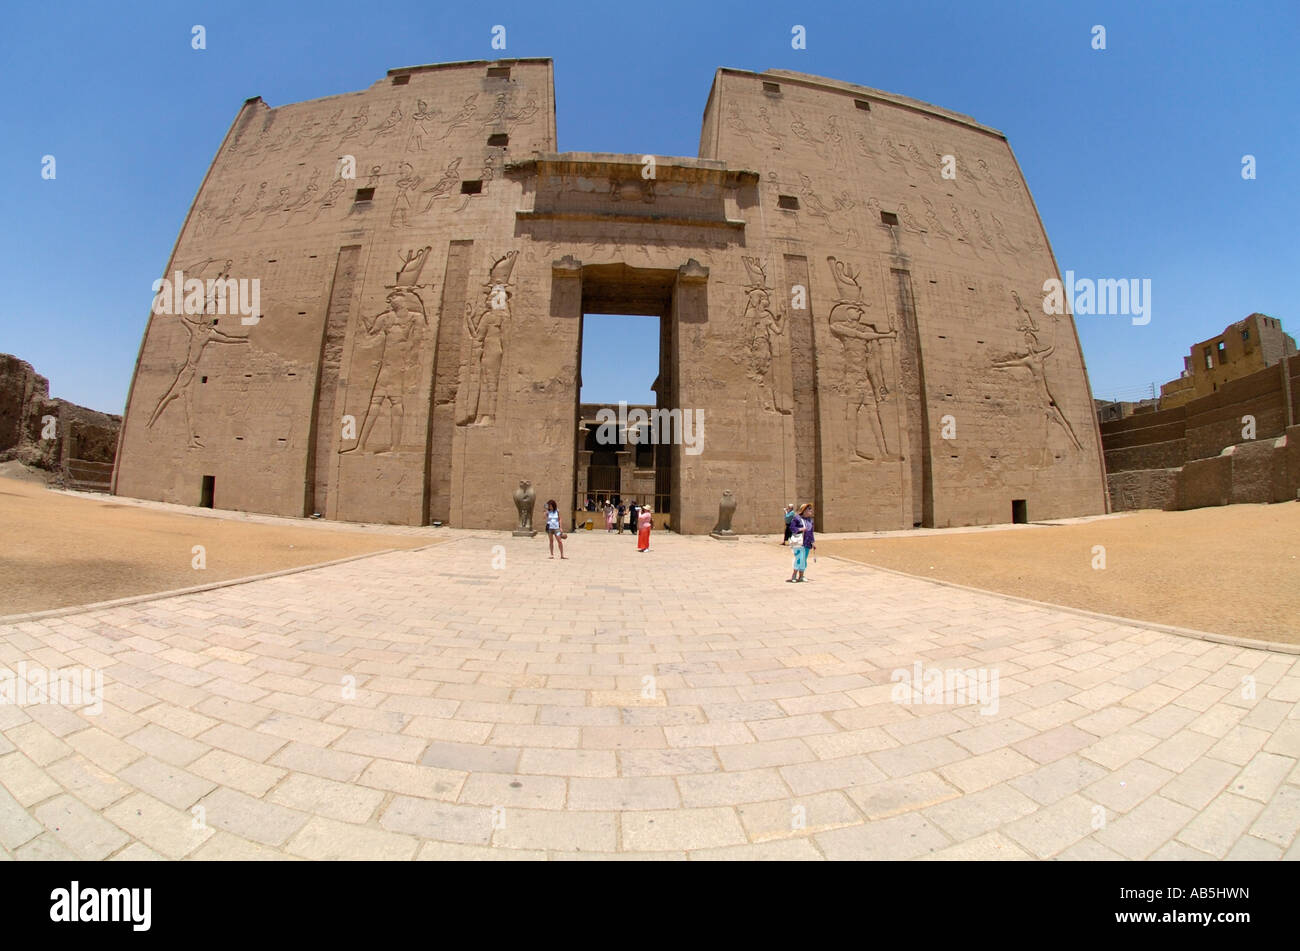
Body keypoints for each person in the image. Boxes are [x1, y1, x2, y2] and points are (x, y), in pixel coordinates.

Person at [788, 503, 815, 582]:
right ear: (804, 510)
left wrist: (812, 542)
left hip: (806, 542)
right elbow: (792, 528)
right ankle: (794, 575)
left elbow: (811, 532)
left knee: (804, 559)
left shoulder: (810, 520)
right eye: (809, 509)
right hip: (798, 543)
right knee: (799, 559)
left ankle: (801, 575)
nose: (811, 510)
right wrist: (800, 529)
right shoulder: (797, 518)